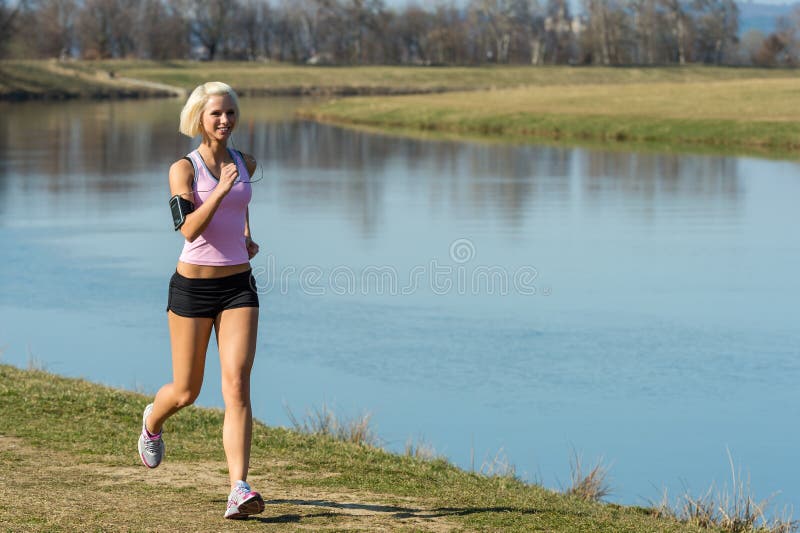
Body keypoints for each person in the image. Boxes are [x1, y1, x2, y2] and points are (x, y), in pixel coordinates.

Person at [137, 81, 264, 520]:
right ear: (199, 118)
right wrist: (223, 190)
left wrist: (246, 238)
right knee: (187, 390)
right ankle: (153, 420)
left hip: (239, 288)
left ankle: (239, 487)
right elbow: (187, 229)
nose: (225, 120)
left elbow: (241, 207)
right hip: (192, 289)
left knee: (237, 386)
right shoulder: (183, 170)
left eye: (230, 112)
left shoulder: (245, 162)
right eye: (216, 114)